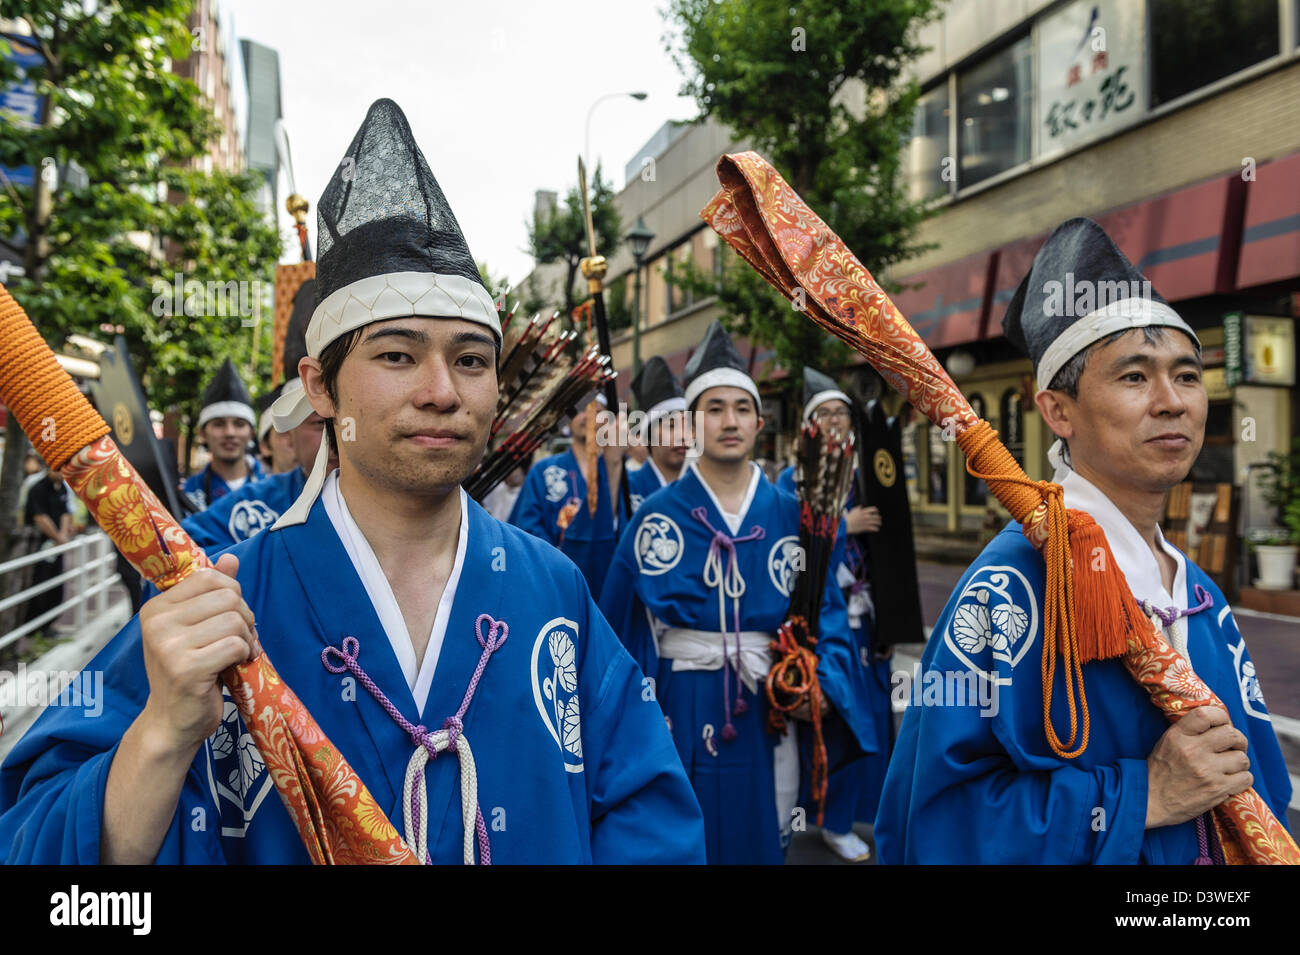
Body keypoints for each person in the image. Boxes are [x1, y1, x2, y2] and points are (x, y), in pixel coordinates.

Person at [0, 98, 704, 865]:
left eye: (471, 359)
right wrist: (164, 733)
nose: (442, 389)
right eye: (397, 355)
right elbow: (41, 847)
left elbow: (648, 810)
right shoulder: (226, 599)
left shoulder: (553, 588)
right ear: (320, 386)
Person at [874, 217, 1292, 863]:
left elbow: (1256, 782)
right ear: (1058, 411)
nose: (1171, 400)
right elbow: (934, 822)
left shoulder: (1197, 590)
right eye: (1133, 377)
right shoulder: (1011, 585)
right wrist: (1140, 796)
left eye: (1186, 375)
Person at [599, 320, 876, 864]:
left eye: (742, 408)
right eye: (714, 408)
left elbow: (830, 618)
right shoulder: (655, 518)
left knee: (763, 837)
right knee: (678, 841)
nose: (730, 421)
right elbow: (615, 637)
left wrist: (820, 685)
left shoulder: (797, 517)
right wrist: (638, 717)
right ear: (692, 423)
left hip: (769, 705)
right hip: (677, 705)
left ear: (759, 420)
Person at [774, 367, 887, 863]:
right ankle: (797, 820)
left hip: (862, 622)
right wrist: (844, 523)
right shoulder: (787, 480)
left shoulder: (865, 477)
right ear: (807, 426)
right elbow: (794, 545)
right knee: (812, 726)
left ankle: (843, 819)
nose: (836, 421)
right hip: (813, 623)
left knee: (859, 724)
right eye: (825, 414)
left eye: (843, 412)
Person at [181, 279, 330, 553]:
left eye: (347, 420)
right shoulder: (255, 502)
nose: (336, 435)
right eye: (320, 423)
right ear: (288, 434)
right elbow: (175, 561)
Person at [508, 393, 623, 597]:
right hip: (554, 586)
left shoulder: (623, 475)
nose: (588, 416)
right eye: (580, 409)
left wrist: (614, 467)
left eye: (597, 411)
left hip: (610, 587)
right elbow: (526, 532)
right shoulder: (544, 472)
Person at [183, 359, 264, 510]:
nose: (229, 433)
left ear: (252, 434)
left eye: (239, 424)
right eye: (219, 424)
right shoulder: (187, 494)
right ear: (202, 433)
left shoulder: (274, 489)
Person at [626, 356, 689, 516]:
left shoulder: (704, 487)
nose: (682, 436)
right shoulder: (626, 488)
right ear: (647, 436)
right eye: (671, 426)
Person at [21, 467, 75, 637]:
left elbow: (66, 513)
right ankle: (33, 627)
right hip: (38, 546)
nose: (62, 473)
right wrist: (57, 537)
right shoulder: (37, 488)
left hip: (56, 546)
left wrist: (62, 536)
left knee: (56, 584)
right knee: (37, 583)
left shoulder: (63, 487)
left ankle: (47, 625)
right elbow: (39, 517)